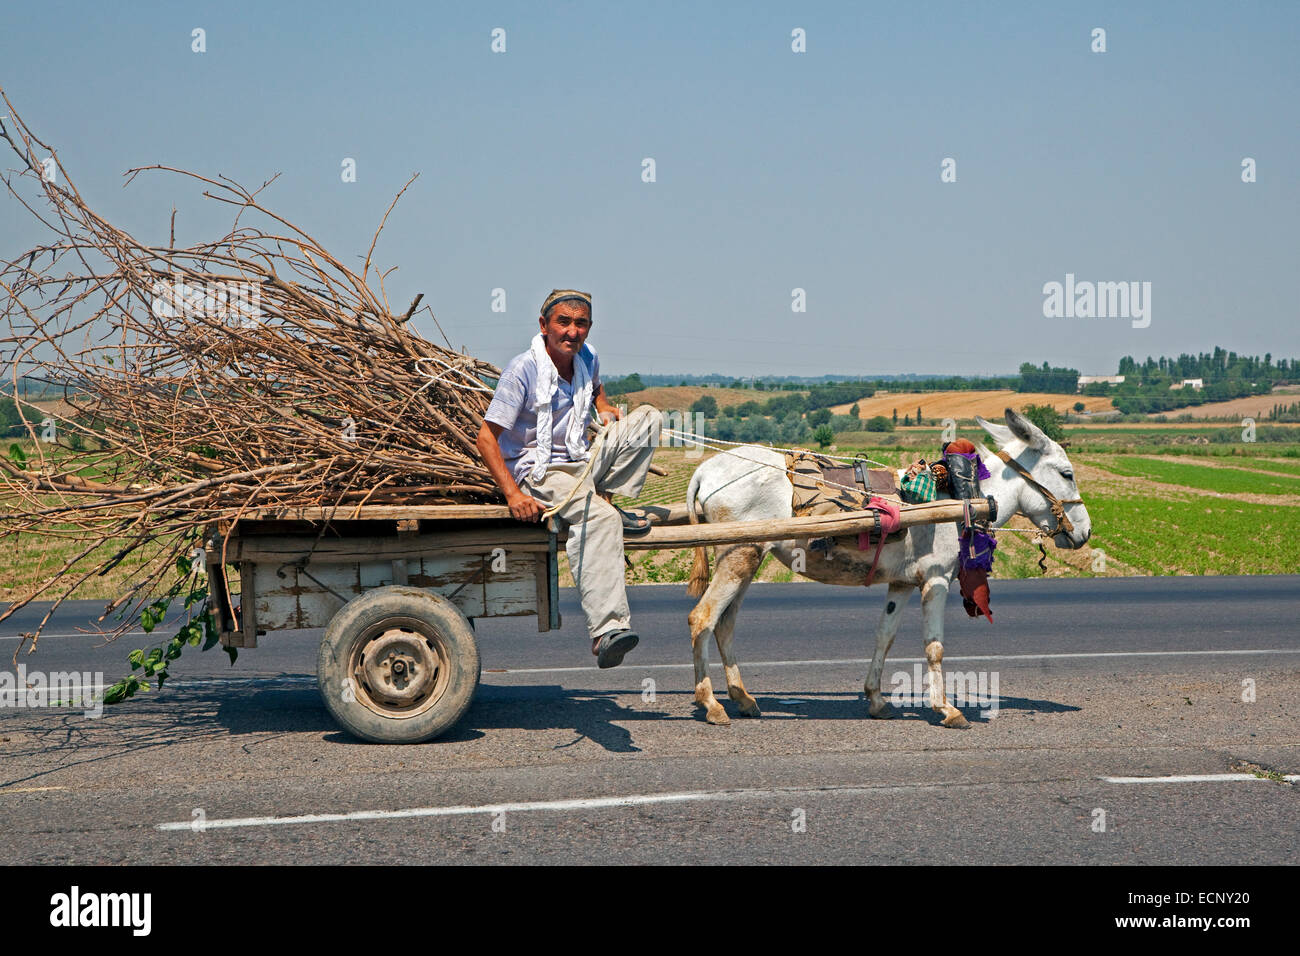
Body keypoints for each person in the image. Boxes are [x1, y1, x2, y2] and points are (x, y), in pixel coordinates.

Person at [476, 289, 662, 668]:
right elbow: (486, 437)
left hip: (580, 462)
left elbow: (595, 388)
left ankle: (604, 496)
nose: (572, 331)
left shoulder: (586, 358)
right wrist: (512, 495)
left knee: (649, 419)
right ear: (544, 326)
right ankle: (607, 630)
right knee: (601, 520)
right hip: (539, 471)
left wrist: (604, 406)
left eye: (581, 324)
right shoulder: (522, 370)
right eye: (564, 322)